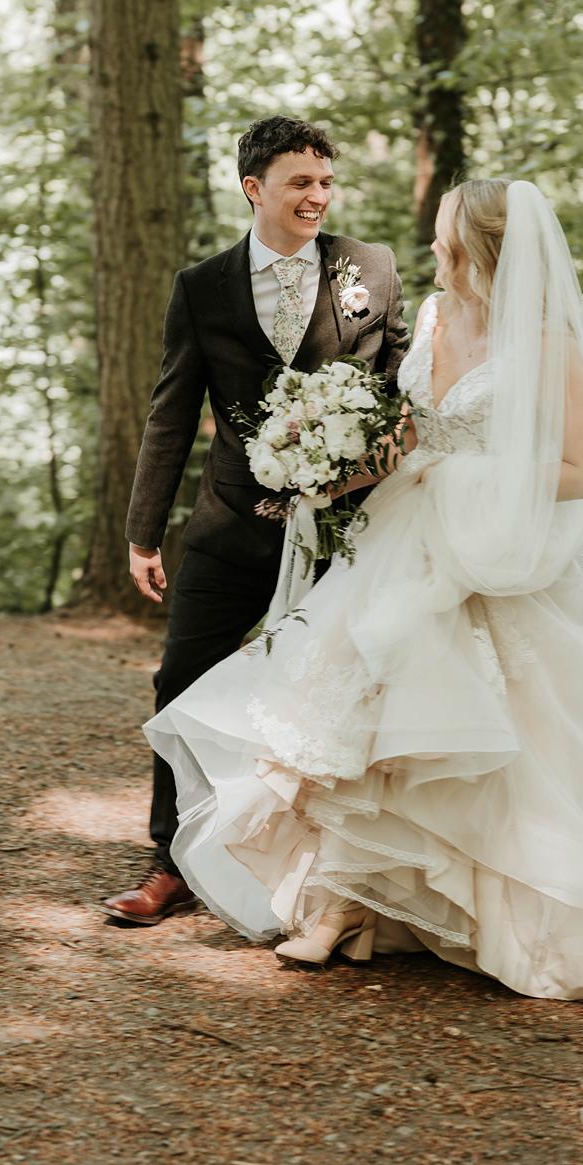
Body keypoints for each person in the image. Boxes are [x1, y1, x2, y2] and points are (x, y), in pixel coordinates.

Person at [143, 177, 583, 1014]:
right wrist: (329, 466)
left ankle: (510, 915)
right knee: (359, 707)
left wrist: (472, 478)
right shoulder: (430, 316)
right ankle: (343, 904)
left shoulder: (547, 341)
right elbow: (413, 427)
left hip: (495, 550)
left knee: (499, 728)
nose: (429, 246)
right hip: (403, 531)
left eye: (442, 234)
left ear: (479, 246)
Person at [103, 116, 409, 924]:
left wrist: (368, 472)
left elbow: (401, 391)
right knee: (179, 680)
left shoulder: (369, 269)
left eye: (324, 183)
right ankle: (169, 863)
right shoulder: (200, 287)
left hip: (346, 535)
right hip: (231, 521)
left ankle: (323, 876)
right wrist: (141, 532)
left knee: (333, 696)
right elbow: (170, 413)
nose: (317, 196)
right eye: (298, 183)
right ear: (254, 189)